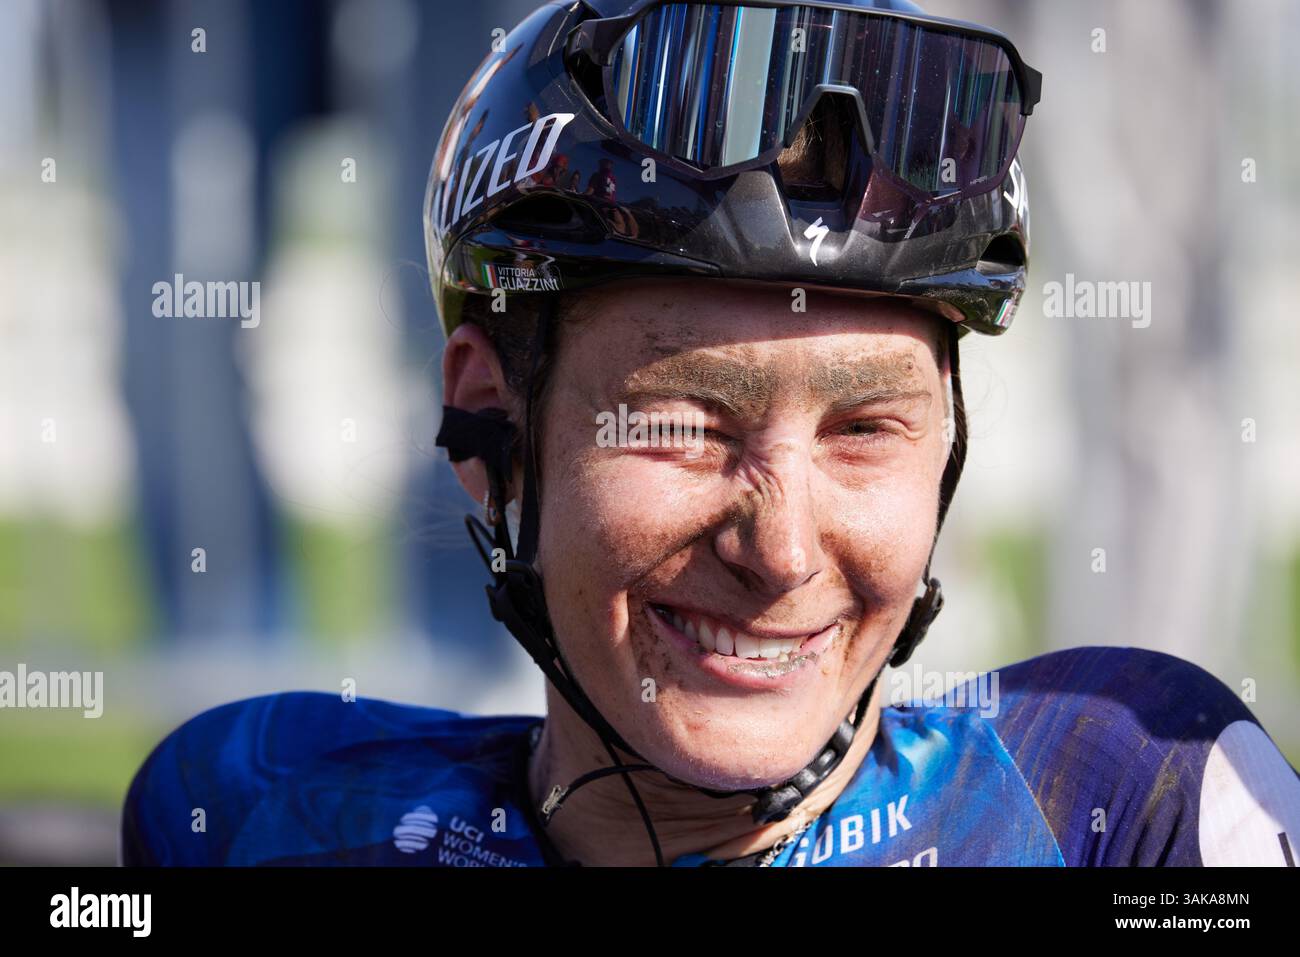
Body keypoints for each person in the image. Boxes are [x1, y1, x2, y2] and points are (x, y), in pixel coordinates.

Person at [121, 0, 1300, 867]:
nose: (782, 552)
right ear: (488, 429)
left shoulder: (1135, 795)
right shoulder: (243, 810)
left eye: (866, 430)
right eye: (683, 424)